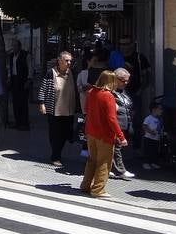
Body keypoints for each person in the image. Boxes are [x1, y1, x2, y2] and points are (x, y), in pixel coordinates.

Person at [80, 70, 126, 198]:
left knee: (92, 160)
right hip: (104, 134)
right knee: (104, 162)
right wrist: (121, 137)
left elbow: (86, 110)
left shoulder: (90, 92)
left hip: (91, 132)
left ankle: (85, 185)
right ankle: (98, 189)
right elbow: (112, 119)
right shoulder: (108, 96)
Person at [38, 51, 77, 167]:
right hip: (54, 110)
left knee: (65, 133)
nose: (69, 63)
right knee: (55, 134)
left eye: (70, 60)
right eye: (66, 60)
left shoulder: (71, 73)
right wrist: (42, 103)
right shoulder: (51, 73)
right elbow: (43, 88)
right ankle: (55, 156)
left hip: (69, 110)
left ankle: (58, 152)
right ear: (59, 61)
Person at [110, 67, 136, 179]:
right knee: (116, 147)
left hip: (126, 122)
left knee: (118, 147)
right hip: (117, 124)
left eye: (127, 81)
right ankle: (120, 170)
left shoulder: (124, 92)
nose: (126, 83)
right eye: (123, 80)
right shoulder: (111, 92)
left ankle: (110, 168)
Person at [7, 39, 30, 130]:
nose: (14, 48)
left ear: (20, 46)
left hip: (23, 80)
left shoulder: (26, 55)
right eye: (13, 46)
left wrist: (28, 80)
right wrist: (9, 78)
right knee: (15, 102)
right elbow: (10, 68)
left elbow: (30, 68)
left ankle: (25, 123)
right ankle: (18, 122)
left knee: (23, 102)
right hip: (14, 80)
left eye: (15, 46)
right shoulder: (12, 56)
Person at [142, 99, 165, 169]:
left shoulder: (159, 119)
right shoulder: (148, 118)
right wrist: (151, 132)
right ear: (154, 109)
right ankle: (146, 163)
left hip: (156, 138)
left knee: (154, 151)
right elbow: (144, 126)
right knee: (147, 151)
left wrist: (161, 133)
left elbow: (161, 128)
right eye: (160, 109)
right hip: (148, 138)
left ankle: (153, 162)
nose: (161, 110)